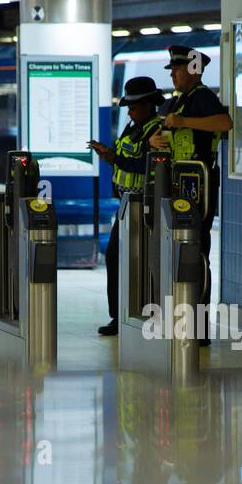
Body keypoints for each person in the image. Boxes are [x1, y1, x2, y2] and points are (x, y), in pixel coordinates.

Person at [148, 46, 232, 342]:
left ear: (194, 69)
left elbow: (225, 123)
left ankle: (199, 326)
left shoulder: (203, 97)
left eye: (177, 69)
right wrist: (155, 138)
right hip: (179, 184)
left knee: (196, 254)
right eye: (171, 69)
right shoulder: (177, 102)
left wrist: (185, 123)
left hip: (198, 187)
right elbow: (163, 130)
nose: (172, 74)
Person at [90, 76, 164, 336]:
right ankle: (119, 315)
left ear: (149, 105)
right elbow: (125, 161)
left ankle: (147, 312)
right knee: (115, 257)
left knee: (144, 259)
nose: (130, 112)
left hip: (146, 206)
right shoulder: (133, 128)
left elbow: (149, 165)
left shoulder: (159, 131)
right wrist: (111, 157)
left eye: (133, 107)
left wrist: (115, 158)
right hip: (127, 204)